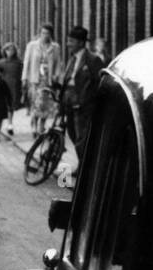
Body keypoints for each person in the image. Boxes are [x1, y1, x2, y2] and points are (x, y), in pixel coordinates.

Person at [61, 25, 106, 164]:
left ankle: (84, 169)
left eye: (71, 41)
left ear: (81, 43)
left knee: (82, 137)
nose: (68, 44)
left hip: (83, 105)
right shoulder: (72, 59)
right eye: (68, 41)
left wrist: (88, 100)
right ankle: (82, 164)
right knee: (72, 133)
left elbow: (100, 82)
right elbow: (68, 78)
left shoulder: (93, 60)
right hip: (69, 100)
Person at [21, 23, 59, 129]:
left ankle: (42, 124)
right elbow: (26, 62)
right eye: (43, 33)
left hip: (48, 79)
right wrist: (24, 78)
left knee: (46, 104)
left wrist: (56, 76)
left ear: (51, 34)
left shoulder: (55, 47)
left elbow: (58, 64)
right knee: (37, 103)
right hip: (35, 80)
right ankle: (34, 122)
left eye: (47, 33)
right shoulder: (32, 46)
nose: (45, 35)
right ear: (40, 33)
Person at [0, 42, 23, 137]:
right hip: (3, 86)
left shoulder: (19, 63)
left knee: (10, 106)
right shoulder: (1, 63)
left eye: (12, 50)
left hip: (14, 86)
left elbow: (21, 75)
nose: (10, 52)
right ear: (4, 51)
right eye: (8, 50)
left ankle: (10, 124)